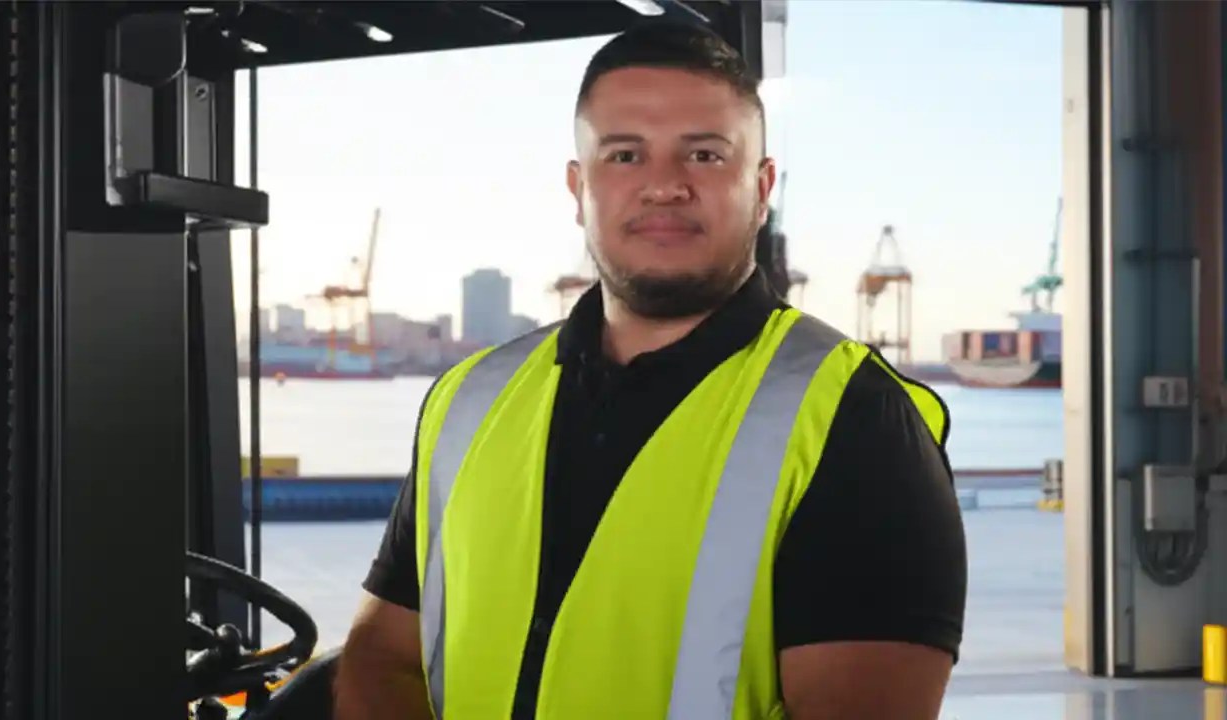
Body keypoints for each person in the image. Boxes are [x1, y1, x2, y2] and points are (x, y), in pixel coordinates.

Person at [334, 20, 966, 720]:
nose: (664, 186)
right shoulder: (469, 399)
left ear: (762, 188)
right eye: (625, 154)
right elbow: (382, 655)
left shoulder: (855, 418)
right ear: (579, 188)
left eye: (703, 154)